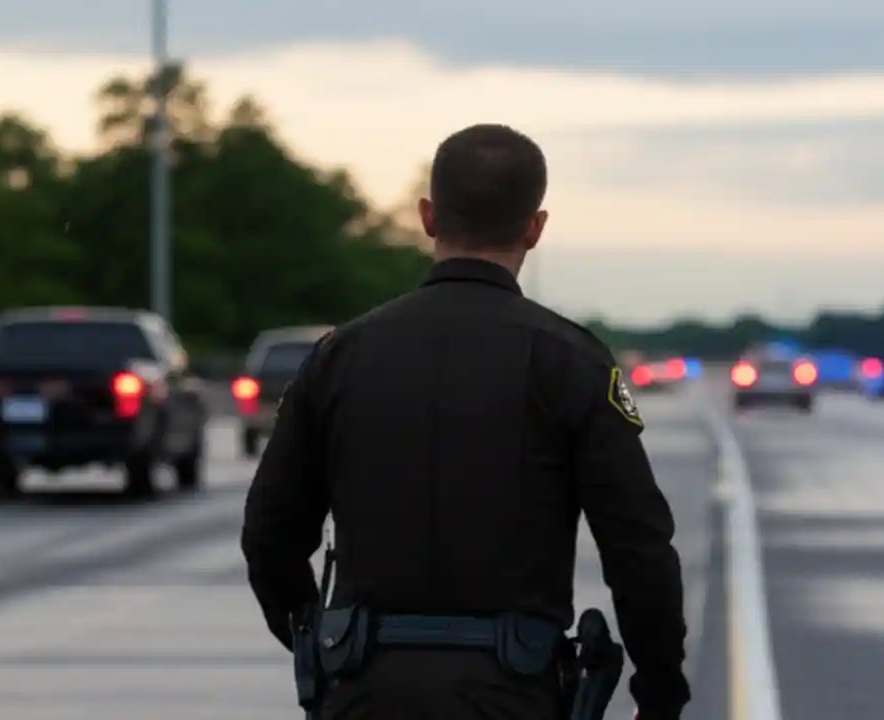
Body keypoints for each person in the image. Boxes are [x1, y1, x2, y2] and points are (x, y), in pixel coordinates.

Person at [242, 123, 690, 719]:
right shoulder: (571, 361)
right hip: (512, 694)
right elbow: (638, 547)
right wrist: (660, 691)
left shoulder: (340, 357)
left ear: (429, 216)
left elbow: (270, 534)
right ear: (535, 227)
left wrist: (320, 645)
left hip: (364, 690)